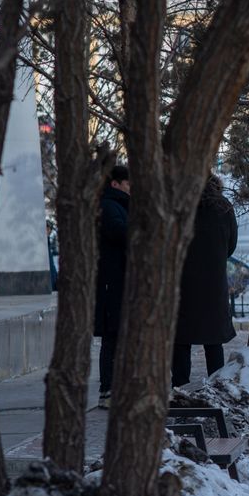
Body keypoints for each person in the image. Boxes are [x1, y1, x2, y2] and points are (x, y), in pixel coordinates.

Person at [172, 175, 238, 387]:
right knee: (213, 339)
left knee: (181, 339)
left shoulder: (180, 205)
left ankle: (180, 384)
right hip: (213, 281)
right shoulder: (224, 207)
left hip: (183, 280)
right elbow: (231, 244)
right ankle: (216, 384)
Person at [94, 165, 131, 408]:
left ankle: (114, 389)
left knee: (117, 338)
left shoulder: (118, 206)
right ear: (116, 184)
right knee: (112, 338)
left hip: (117, 283)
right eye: (128, 183)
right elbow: (120, 232)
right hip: (113, 285)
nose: (132, 188)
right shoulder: (110, 206)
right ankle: (107, 391)